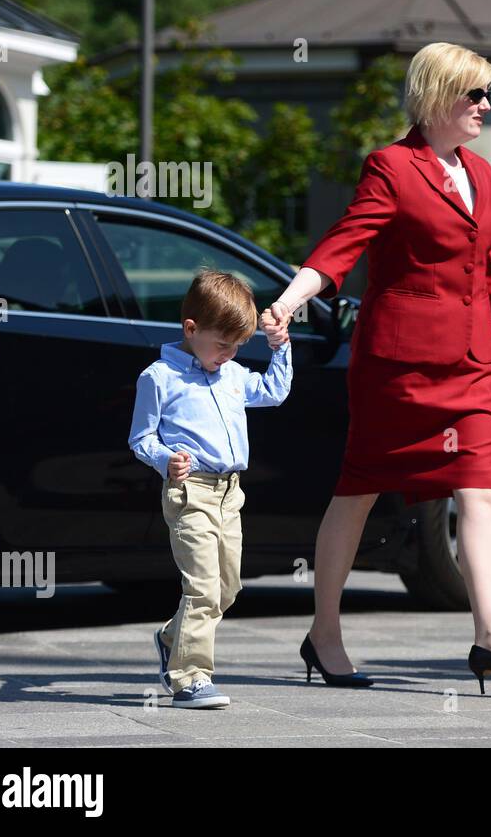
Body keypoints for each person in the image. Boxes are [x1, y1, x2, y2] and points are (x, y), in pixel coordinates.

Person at [265, 41, 491, 691]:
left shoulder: (483, 176)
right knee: (358, 491)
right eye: (473, 93)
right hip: (398, 368)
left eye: (489, 93)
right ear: (435, 98)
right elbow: (342, 247)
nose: (486, 104)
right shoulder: (392, 167)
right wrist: (287, 302)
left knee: (480, 490)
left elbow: (485, 272)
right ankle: (326, 632)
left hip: (472, 365)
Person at [129, 269, 292, 708]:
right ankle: (190, 678)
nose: (230, 354)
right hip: (190, 495)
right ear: (191, 329)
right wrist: (166, 460)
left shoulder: (234, 375)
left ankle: (171, 638)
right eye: (223, 344)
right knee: (201, 588)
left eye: (238, 346)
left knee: (227, 588)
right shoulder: (159, 378)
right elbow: (141, 439)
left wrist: (280, 346)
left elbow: (275, 392)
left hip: (229, 495)